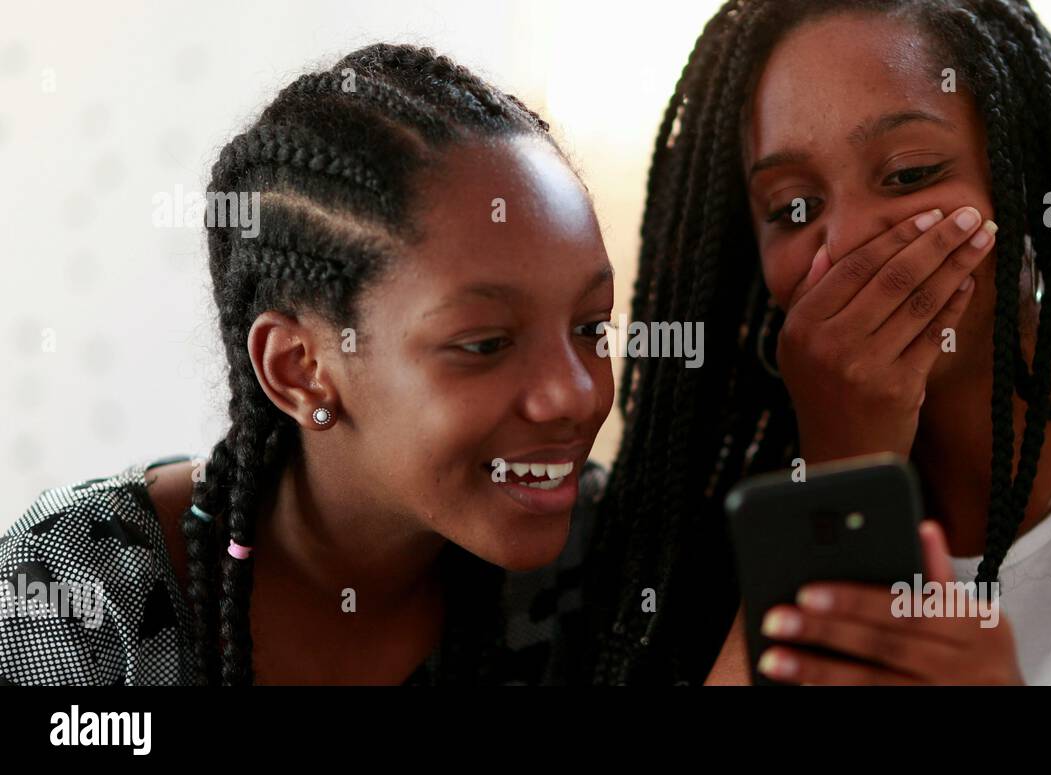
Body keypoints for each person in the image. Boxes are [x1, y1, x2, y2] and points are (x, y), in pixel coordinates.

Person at [583, 0, 1051, 686]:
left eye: (910, 174)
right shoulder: (725, 529)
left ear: (1026, 180)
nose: (850, 240)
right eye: (794, 208)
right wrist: (841, 469)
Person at [1, 44, 615, 686]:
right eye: (486, 343)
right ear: (299, 369)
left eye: (590, 327)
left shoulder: (604, 554)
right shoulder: (68, 598)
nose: (573, 394)